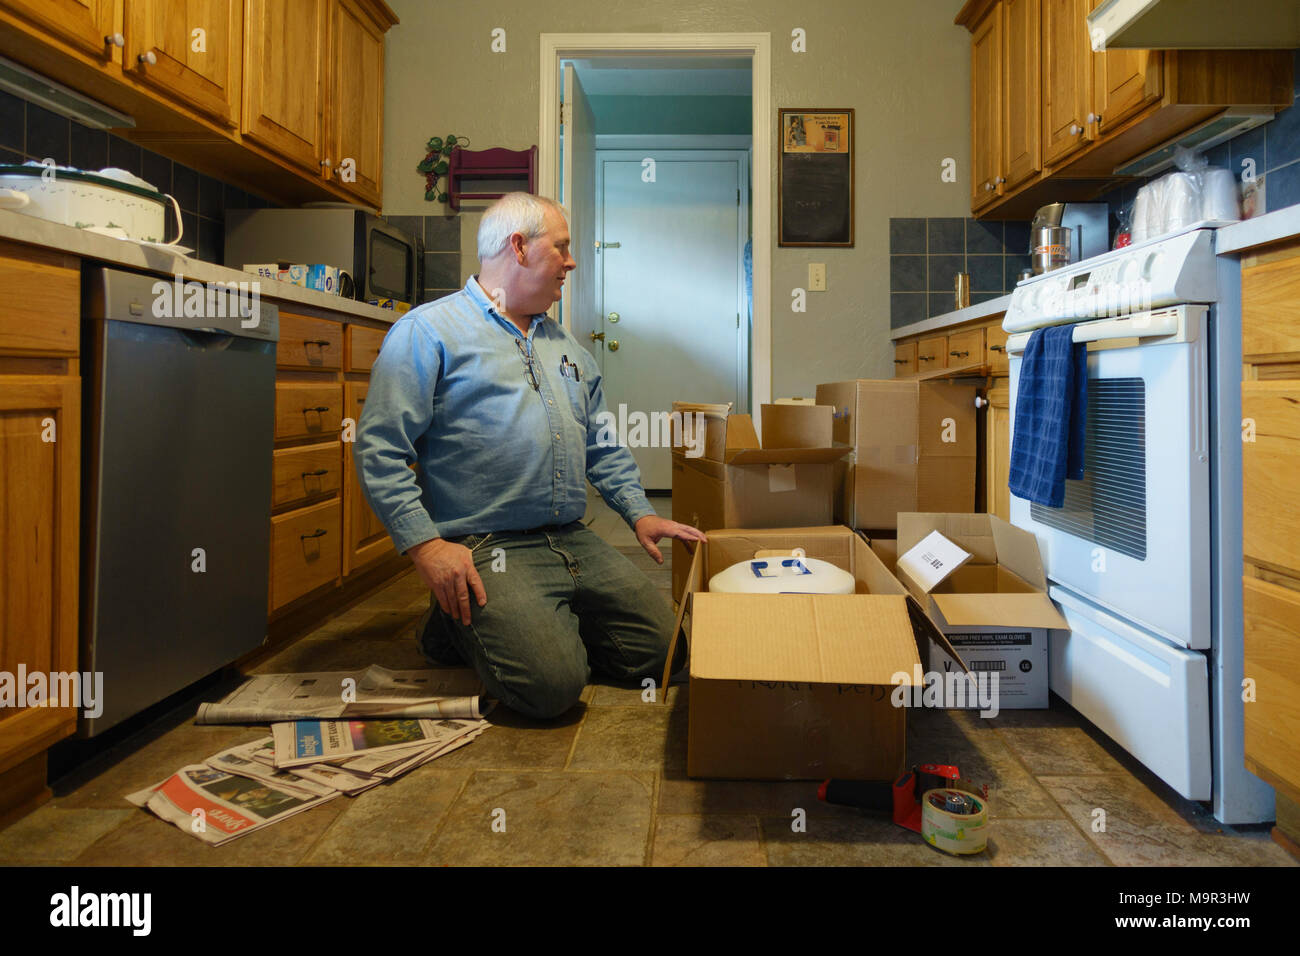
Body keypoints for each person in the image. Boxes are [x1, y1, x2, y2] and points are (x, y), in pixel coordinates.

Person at [355, 192, 705, 719]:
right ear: (518, 247)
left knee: (668, 654)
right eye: (561, 247)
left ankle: (536, 616)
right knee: (552, 688)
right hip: (484, 544)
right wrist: (427, 548)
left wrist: (640, 510)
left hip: (570, 537)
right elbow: (379, 450)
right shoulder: (428, 333)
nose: (570, 261)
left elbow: (601, 443)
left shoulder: (569, 349)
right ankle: (454, 623)